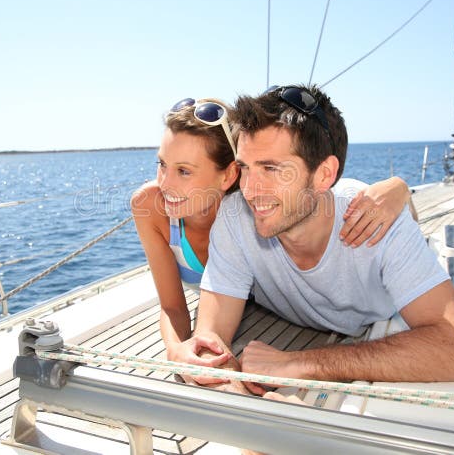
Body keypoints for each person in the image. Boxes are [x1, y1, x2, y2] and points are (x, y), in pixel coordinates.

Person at [179, 85, 454, 387]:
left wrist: (300, 364)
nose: (250, 190)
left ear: (324, 174)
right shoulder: (234, 218)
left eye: (271, 169)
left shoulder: (376, 220)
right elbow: (210, 337)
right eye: (245, 168)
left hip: (382, 321)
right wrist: (218, 371)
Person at [130, 97, 415, 365]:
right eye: (161, 164)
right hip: (234, 314)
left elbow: (321, 197)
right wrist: (177, 350)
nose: (164, 183)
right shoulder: (152, 205)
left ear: (229, 174)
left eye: (184, 171)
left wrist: (399, 189)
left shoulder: (258, 210)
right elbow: (173, 306)